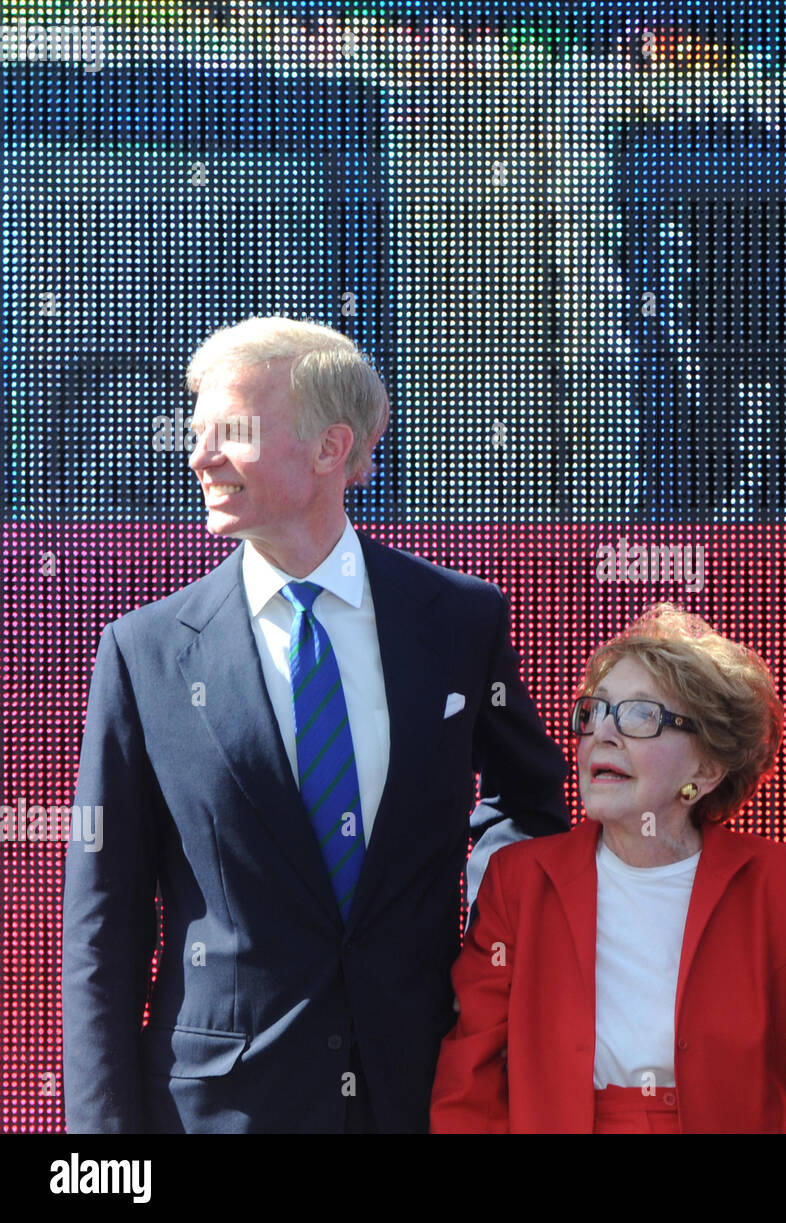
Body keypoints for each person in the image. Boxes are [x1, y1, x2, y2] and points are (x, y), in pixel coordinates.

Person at [61, 317, 568, 1133]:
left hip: (424, 1091)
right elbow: (102, 924)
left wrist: (474, 942)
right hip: (219, 1109)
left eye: (231, 433)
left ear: (331, 449)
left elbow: (532, 803)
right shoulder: (143, 652)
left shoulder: (460, 620)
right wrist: (101, 1155)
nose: (199, 458)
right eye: (198, 436)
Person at [428, 604, 786, 1132]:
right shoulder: (518, 883)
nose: (602, 733)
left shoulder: (777, 885)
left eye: (641, 716)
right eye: (593, 712)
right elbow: (471, 1078)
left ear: (707, 768)